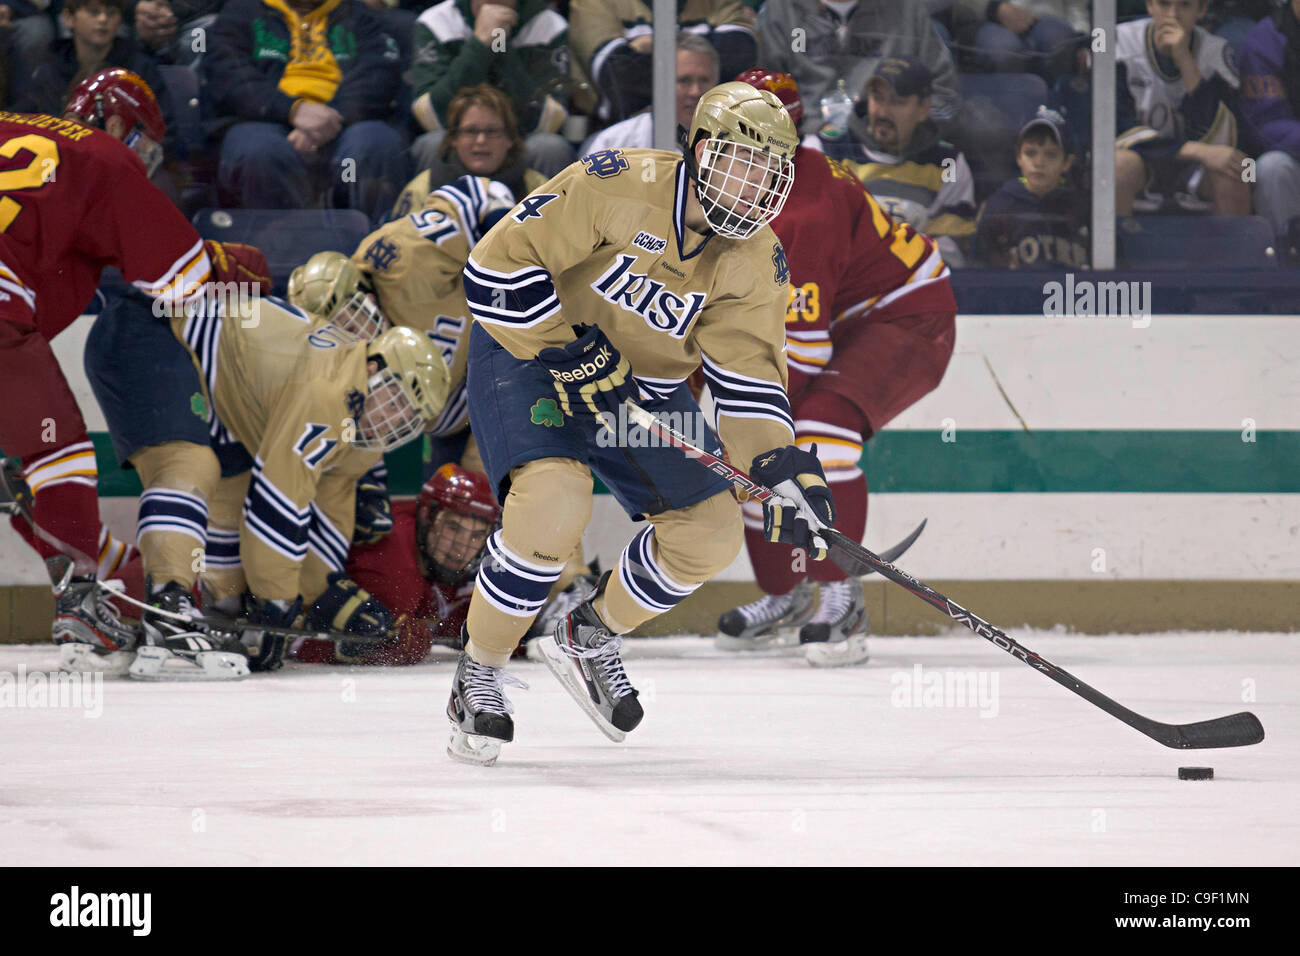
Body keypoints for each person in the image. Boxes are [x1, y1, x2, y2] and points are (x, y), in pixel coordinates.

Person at [445, 81, 829, 766]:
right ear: (702, 152)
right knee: (553, 506)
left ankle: (586, 635)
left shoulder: (757, 263)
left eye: (770, 174)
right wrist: (567, 347)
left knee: (708, 536)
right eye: (743, 165)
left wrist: (776, 464)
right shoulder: (613, 181)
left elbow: (747, 382)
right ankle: (480, 671)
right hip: (530, 353)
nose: (753, 188)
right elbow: (493, 269)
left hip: (638, 388)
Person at [0, 68, 270, 673]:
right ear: (117, 122)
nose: (144, 164)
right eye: (145, 147)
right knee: (58, 451)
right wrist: (238, 264)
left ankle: (96, 585)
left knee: (28, 467)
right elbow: (179, 278)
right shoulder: (100, 155)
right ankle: (81, 598)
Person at [716, 69, 956, 666]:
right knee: (756, 451)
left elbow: (803, 351)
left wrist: (743, 420)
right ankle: (787, 594)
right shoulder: (734, 189)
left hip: (907, 317)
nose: (731, 147)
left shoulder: (802, 210)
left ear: (783, 135)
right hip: (846, 322)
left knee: (815, 436)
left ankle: (840, 594)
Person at [204, 0, 405, 218]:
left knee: (374, 143)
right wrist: (293, 111)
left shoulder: (360, 15)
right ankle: (274, 246)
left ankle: (371, 242)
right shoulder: (242, 12)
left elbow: (378, 75)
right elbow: (229, 75)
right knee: (258, 151)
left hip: (344, 121)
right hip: (265, 121)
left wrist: (330, 119)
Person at [294, 463, 500, 664]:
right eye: (453, 528)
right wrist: (391, 648)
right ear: (428, 514)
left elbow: (452, 617)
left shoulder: (430, 546)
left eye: (477, 534)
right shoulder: (395, 576)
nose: (461, 548)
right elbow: (305, 644)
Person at [832, 58, 977, 267]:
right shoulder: (828, 151)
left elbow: (950, 254)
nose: (883, 112)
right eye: (877, 98)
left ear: (923, 109)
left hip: (910, 291)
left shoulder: (947, 163)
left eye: (897, 102)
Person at [409, 0, 575, 180]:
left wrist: (498, 41)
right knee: (432, 144)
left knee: (550, 148)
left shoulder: (549, 26)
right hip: (462, 136)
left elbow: (549, 121)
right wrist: (479, 45)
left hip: (520, 137)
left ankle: (544, 209)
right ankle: (438, 208)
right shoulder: (436, 22)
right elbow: (431, 116)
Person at [1114, 0, 1251, 216]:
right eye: (1164, 4)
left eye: (1184, 5)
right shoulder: (1118, 41)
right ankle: (1115, 249)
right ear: (1150, 5)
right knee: (1118, 164)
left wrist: (1184, 58)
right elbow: (1116, 125)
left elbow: (1225, 136)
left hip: (1194, 167)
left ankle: (1238, 249)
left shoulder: (1217, 51)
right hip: (1142, 160)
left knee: (1244, 167)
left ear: (1202, 9)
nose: (1173, 15)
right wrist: (1196, 150)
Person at [755, 0, 961, 137]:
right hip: (804, 151)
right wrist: (804, 136)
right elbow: (762, 100)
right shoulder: (779, 11)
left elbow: (944, 95)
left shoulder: (906, 9)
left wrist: (906, 133)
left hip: (893, 156)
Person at [569, 0, 757, 123]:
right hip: (618, 132)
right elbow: (621, 80)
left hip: (714, 126)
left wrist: (647, 46)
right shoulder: (595, 3)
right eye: (684, 80)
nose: (693, 88)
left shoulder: (716, 3)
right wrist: (699, 49)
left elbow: (737, 57)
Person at [391, 85, 546, 221]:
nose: (481, 140)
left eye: (492, 131)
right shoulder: (420, 190)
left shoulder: (539, 189)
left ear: (510, 139)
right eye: (471, 131)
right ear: (454, 138)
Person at [973, 106, 1089, 269]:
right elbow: (980, 269)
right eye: (1030, 153)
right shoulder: (999, 206)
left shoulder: (1082, 207)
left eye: (1050, 154)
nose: (1039, 163)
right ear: (1018, 157)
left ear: (1067, 163)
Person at [580, 32, 719, 154]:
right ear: (660, 83)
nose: (696, 92)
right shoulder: (614, 143)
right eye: (684, 81)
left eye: (704, 80)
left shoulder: (735, 143)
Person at [1238, 0, 1300, 256]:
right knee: (1270, 168)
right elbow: (1265, 125)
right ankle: (1285, 268)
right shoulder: (1266, 38)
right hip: (1290, 157)